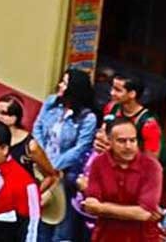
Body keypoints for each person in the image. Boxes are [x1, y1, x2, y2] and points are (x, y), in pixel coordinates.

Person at [34, 69, 99, 242]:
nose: (60, 86)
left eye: (64, 83)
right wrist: (42, 158)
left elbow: (80, 148)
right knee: (40, 221)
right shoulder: (51, 103)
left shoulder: (87, 118)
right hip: (41, 169)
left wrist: (53, 166)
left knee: (62, 226)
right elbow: (38, 127)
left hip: (65, 174)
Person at [83, 118, 164, 242]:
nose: (128, 146)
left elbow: (144, 213)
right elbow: (91, 205)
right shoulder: (98, 163)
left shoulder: (151, 167)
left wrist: (102, 208)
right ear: (109, 141)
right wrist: (131, 211)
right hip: (106, 236)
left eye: (132, 140)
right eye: (122, 141)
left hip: (141, 238)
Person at [0, 95, 61, 209]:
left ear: (15, 118)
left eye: (4, 113)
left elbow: (51, 175)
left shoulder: (30, 146)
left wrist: (32, 196)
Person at [102, 76, 165, 159]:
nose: (112, 93)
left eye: (118, 90)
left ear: (132, 94)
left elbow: (151, 160)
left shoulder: (148, 124)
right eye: (112, 88)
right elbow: (103, 132)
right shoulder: (111, 108)